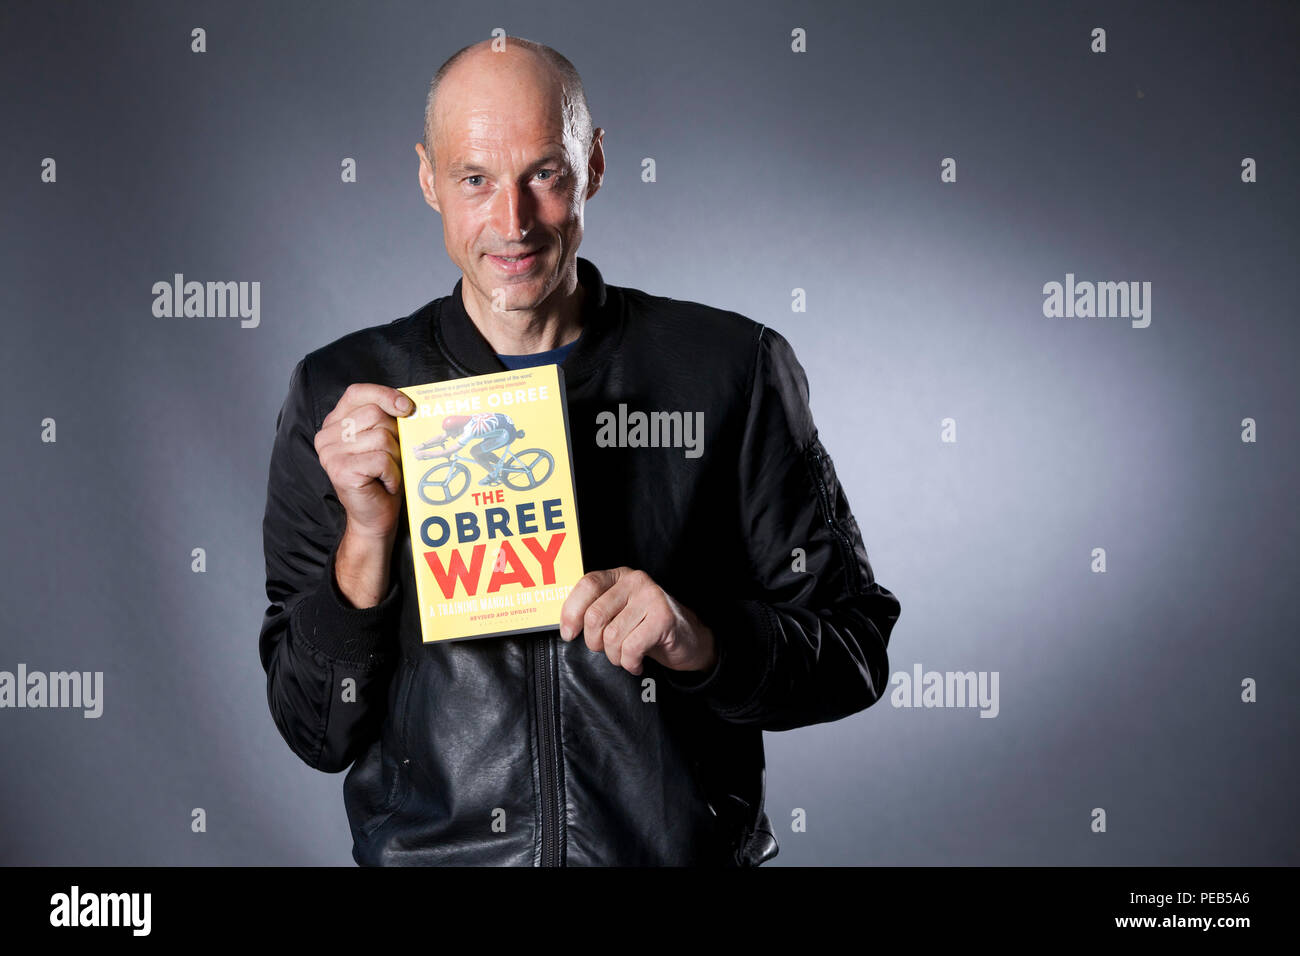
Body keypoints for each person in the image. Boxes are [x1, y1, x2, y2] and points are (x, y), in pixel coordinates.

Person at [258, 35, 901, 866]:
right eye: (475, 180)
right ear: (428, 180)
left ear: (593, 166)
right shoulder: (341, 394)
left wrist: (700, 641)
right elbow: (316, 729)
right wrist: (368, 538)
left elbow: (854, 652)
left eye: (544, 175)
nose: (512, 222)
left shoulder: (729, 367)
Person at [414, 412, 522, 485]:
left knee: (474, 452)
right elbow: (442, 436)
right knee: (482, 449)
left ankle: (494, 475)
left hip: (506, 433)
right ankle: (501, 464)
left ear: (458, 428)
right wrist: (422, 445)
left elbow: (449, 451)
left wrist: (425, 454)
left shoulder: (470, 431)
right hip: (503, 423)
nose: (451, 436)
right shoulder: (463, 421)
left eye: (452, 433)